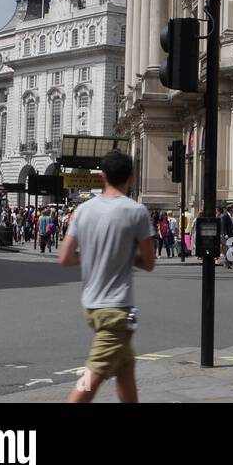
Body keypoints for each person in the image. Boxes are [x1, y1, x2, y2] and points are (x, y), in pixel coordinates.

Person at [59, 150, 155, 403]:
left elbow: (66, 257)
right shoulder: (136, 212)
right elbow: (149, 262)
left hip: (92, 303)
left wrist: (91, 254)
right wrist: (125, 255)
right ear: (132, 176)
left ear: (102, 176)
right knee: (92, 376)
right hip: (115, 309)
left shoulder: (82, 210)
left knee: (125, 368)